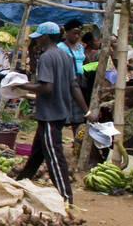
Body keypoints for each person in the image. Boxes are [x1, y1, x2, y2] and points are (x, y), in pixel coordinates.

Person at [15, 22, 87, 203]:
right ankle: (19, 184)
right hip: (60, 111)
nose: (37, 40)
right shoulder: (65, 55)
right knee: (36, 156)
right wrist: (86, 111)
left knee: (54, 157)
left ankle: (66, 197)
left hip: (50, 114)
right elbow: (74, 85)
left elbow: (46, 87)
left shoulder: (47, 57)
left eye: (39, 37)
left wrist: (21, 85)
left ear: (45, 37)